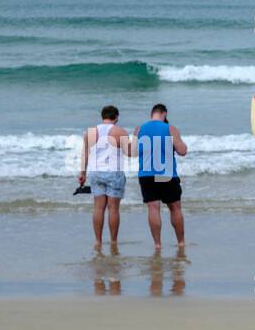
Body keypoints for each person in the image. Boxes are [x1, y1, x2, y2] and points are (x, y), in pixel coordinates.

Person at [134, 103, 187, 249]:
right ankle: (181, 243)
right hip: (166, 173)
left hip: (146, 173)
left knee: (153, 208)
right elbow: (182, 151)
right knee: (175, 207)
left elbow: (132, 152)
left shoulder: (139, 129)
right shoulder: (170, 128)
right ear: (164, 114)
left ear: (152, 114)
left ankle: (157, 244)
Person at [79, 105, 130, 246]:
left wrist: (82, 173)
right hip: (114, 172)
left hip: (95, 172)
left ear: (102, 116)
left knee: (98, 208)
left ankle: (98, 241)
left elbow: (85, 154)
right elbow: (130, 153)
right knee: (113, 208)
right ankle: (113, 241)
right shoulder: (119, 132)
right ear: (116, 117)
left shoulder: (90, 132)